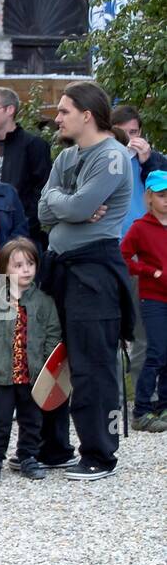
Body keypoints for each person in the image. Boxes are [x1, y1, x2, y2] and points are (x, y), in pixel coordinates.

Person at [36, 80, 136, 481]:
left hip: (94, 271)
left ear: (86, 115)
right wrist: (69, 207)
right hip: (60, 266)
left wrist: (68, 205)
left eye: (63, 111)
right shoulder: (66, 157)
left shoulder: (112, 157)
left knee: (93, 362)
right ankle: (55, 447)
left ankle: (99, 453)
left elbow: (77, 205)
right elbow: (45, 210)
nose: (57, 118)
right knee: (53, 358)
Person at [0, 238, 62, 481]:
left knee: (32, 419)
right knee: (0, 419)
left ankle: (27, 457)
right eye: (18, 265)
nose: (26, 270)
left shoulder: (44, 302)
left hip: (33, 375)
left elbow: (53, 336)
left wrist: (48, 368)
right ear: (5, 269)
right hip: (3, 375)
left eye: (30, 264)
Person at [111, 105, 167, 383]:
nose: (131, 139)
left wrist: (148, 163)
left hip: (142, 257)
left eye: (135, 132)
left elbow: (161, 197)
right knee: (112, 327)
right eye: (125, 133)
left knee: (145, 330)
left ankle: (141, 391)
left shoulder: (154, 161)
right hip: (111, 252)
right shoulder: (107, 160)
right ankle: (114, 391)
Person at [120, 169, 167, 432]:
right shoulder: (140, 228)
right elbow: (123, 258)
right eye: (162, 195)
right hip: (153, 297)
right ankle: (141, 411)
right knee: (155, 352)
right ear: (149, 198)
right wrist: (150, 271)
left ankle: (163, 405)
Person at [0, 86, 53, 247]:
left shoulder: (34, 145)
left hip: (23, 236)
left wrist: (23, 226)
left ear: (10, 110)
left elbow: (43, 191)